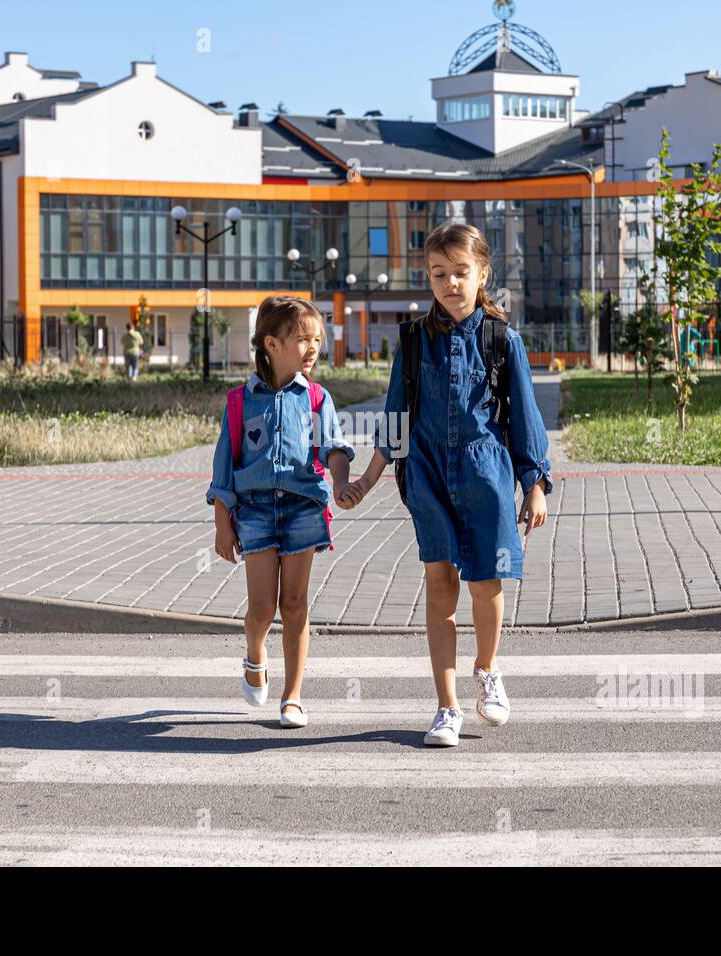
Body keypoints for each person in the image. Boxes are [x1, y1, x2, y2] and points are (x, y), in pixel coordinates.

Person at [339, 223, 552, 747]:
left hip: (487, 476)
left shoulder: (503, 340)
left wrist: (535, 484)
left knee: (486, 582)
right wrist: (368, 479)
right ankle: (446, 707)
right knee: (440, 585)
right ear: (427, 276)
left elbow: (524, 417)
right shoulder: (413, 341)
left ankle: (487, 670)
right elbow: (395, 416)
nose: (450, 282)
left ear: (483, 274)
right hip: (429, 475)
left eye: (461, 272)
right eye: (439, 273)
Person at [206, 295, 356, 728]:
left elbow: (333, 448)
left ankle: (293, 696)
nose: (313, 349)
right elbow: (224, 464)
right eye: (302, 339)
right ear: (271, 343)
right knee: (260, 609)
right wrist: (222, 520)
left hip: (303, 508)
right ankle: (255, 655)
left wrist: (342, 482)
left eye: (317, 340)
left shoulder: (315, 398)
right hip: (253, 512)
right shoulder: (239, 401)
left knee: (294, 604)